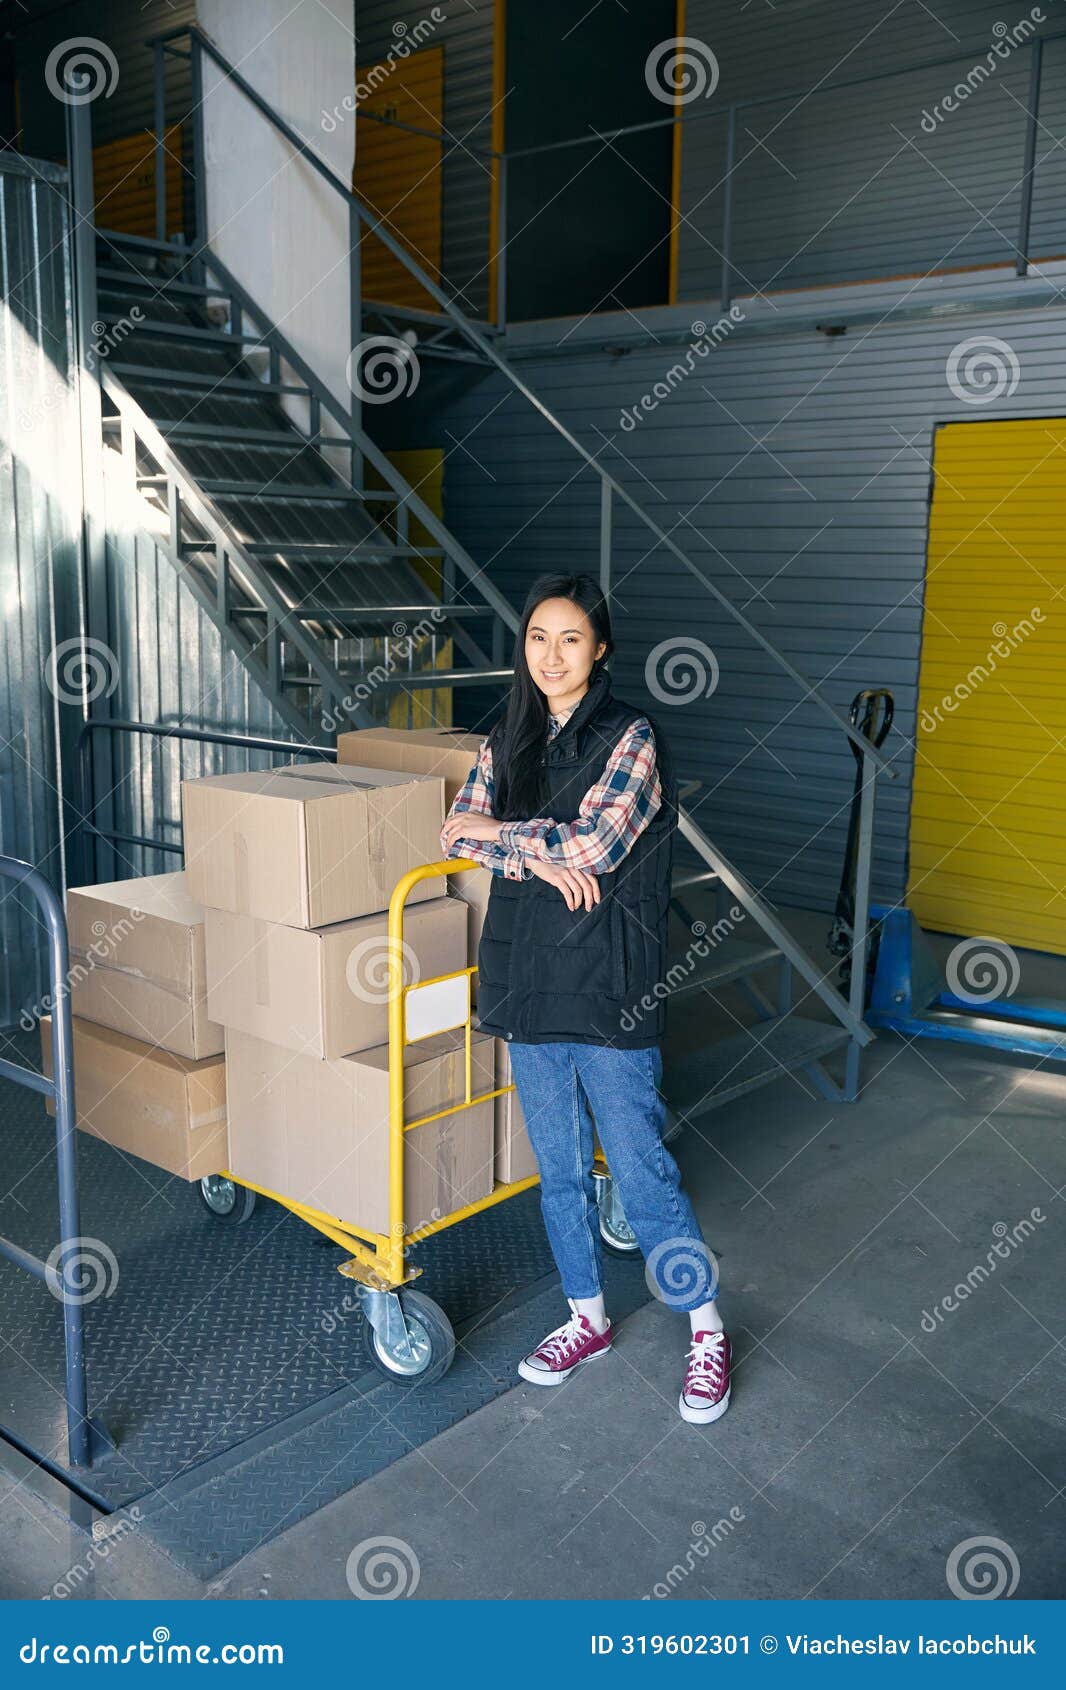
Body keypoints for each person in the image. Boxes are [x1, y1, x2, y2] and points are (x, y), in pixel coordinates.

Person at [440, 573, 730, 1425]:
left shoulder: (631, 735)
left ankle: (706, 1329)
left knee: (640, 1173)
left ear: (599, 649)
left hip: (609, 986)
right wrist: (529, 854)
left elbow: (598, 843)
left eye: (570, 639)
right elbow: (452, 830)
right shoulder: (507, 735)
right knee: (559, 1174)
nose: (552, 655)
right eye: (537, 637)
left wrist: (504, 838)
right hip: (527, 979)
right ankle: (586, 1318)